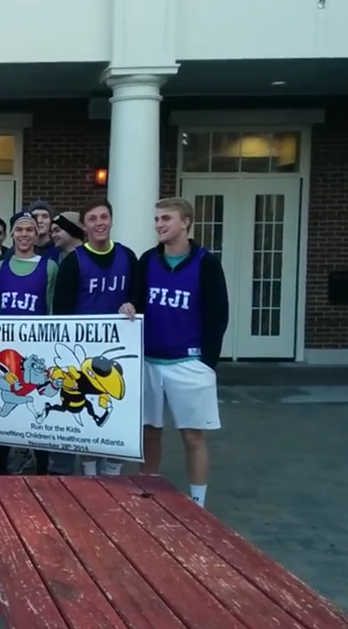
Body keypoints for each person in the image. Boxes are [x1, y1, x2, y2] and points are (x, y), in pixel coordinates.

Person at [120, 197, 228, 508]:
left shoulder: (206, 262)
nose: (159, 225)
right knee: (149, 431)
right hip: (151, 360)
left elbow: (218, 314)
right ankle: (148, 491)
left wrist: (208, 362)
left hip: (189, 361)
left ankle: (198, 501)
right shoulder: (147, 261)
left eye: (166, 219)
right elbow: (136, 300)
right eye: (156, 219)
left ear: (185, 223)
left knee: (192, 436)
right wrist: (129, 306)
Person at [52, 200, 137, 477]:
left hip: (120, 347)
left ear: (111, 220)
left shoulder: (127, 256)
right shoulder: (73, 262)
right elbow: (61, 311)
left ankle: (113, 470)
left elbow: (139, 297)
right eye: (92, 219)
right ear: (84, 226)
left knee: (118, 409)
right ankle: (89, 471)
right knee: (87, 414)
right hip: (85, 349)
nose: (99, 222)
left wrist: (132, 305)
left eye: (104, 217)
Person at [0, 211, 57, 476]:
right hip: (6, 352)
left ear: (36, 234)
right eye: (19, 230)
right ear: (12, 234)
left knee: (38, 407)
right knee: (8, 406)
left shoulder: (49, 267)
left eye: (29, 230)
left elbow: (53, 311)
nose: (24, 235)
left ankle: (42, 469)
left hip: (36, 351)